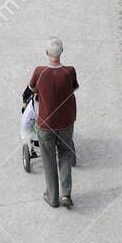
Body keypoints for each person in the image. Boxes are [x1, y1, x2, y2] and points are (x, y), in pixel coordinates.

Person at [29, 39, 78, 210]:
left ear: (46, 53)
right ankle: (66, 194)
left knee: (48, 159)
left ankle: (52, 197)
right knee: (64, 154)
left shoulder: (40, 72)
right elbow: (73, 89)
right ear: (62, 51)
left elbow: (32, 89)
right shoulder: (69, 72)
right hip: (65, 122)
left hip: (46, 124)